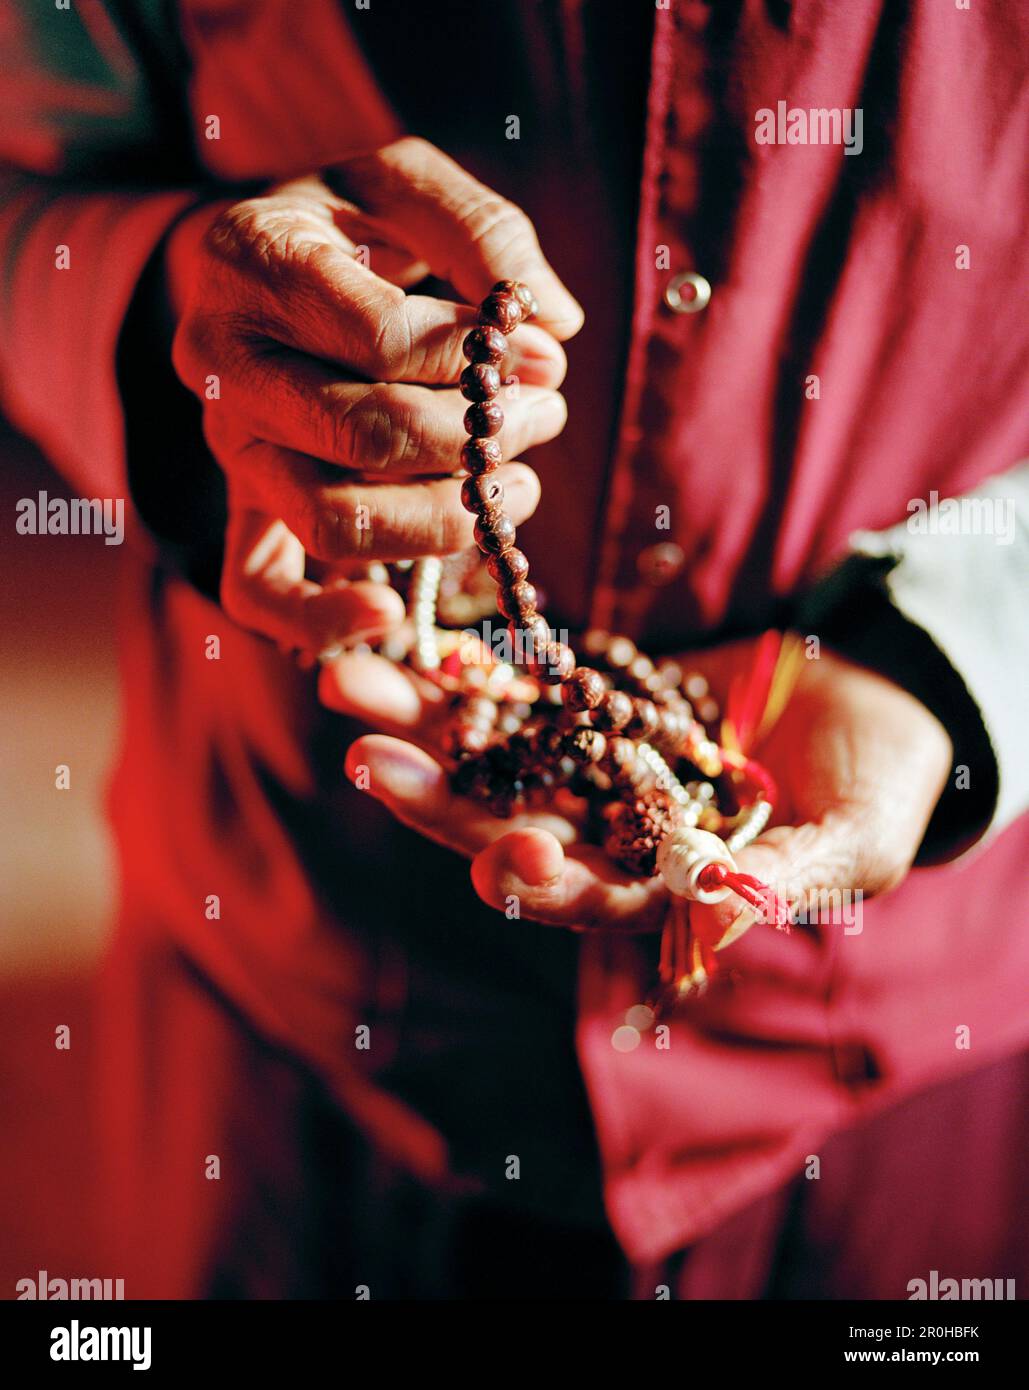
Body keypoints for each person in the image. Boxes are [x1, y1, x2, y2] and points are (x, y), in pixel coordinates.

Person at [2, 0, 1026, 1298]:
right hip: (300, 993)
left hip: (906, 1073)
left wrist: (949, 659)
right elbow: (31, 192)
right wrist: (167, 320)